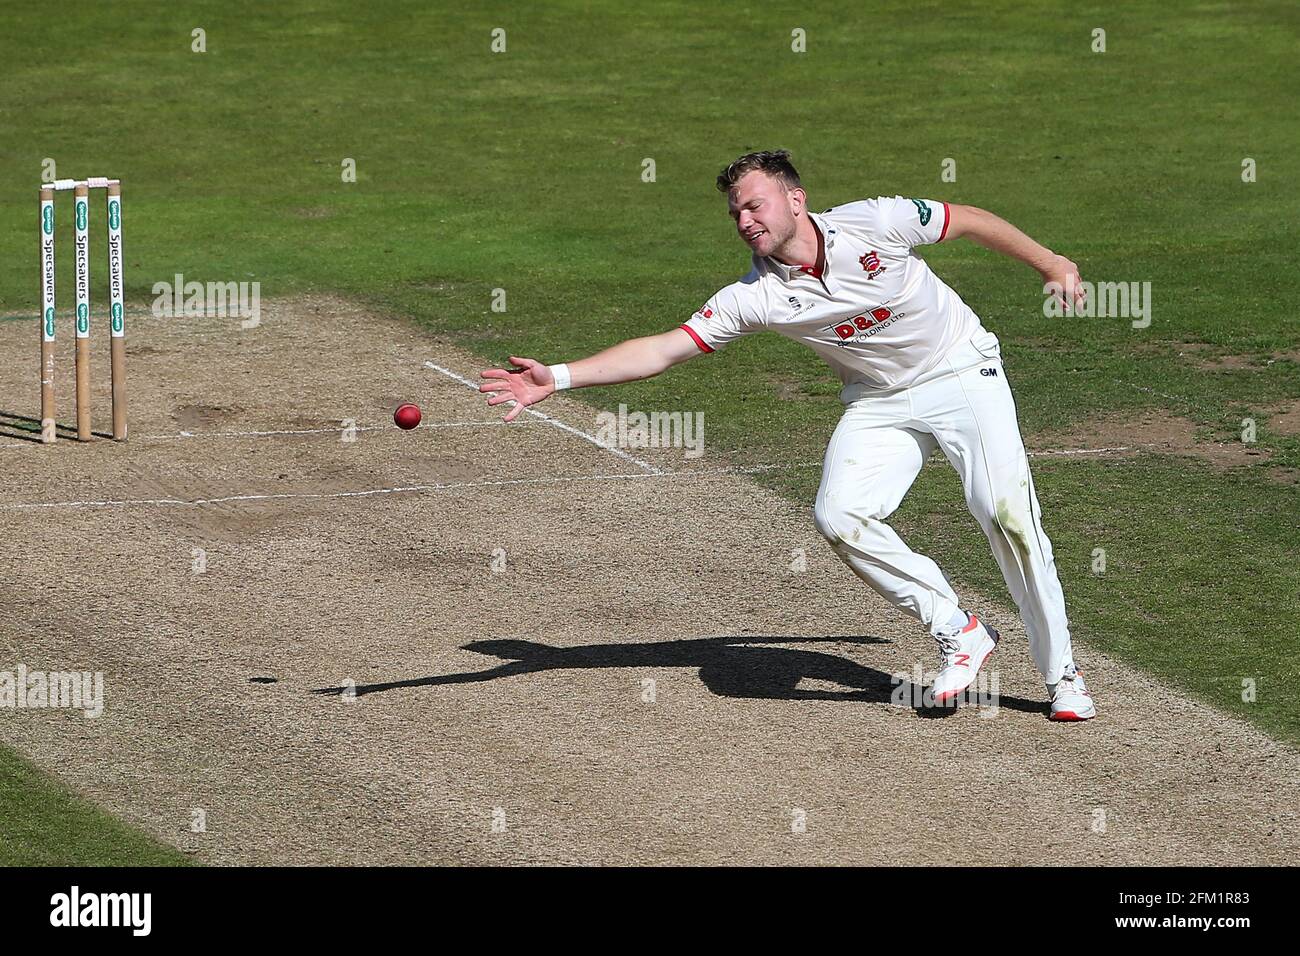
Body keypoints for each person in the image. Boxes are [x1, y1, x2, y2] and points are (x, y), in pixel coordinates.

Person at [480, 149, 1096, 721]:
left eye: (755, 205)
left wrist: (1052, 263)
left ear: (795, 199)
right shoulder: (757, 296)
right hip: (879, 399)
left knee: (1004, 513)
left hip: (960, 371)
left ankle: (1062, 678)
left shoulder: (876, 222)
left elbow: (968, 219)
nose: (746, 220)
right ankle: (959, 629)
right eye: (736, 213)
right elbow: (664, 349)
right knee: (840, 516)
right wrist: (556, 379)